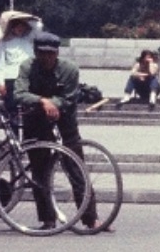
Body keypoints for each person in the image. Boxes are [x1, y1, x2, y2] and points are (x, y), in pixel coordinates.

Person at [18, 32, 102, 231]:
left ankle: (91, 218)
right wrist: (42, 101)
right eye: (42, 53)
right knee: (40, 168)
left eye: (51, 53)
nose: (47, 58)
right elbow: (19, 93)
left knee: (75, 165)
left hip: (65, 116)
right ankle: (47, 218)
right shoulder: (27, 67)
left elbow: (69, 97)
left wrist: (53, 103)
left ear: (57, 53)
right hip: (36, 116)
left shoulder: (69, 69)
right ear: (35, 52)